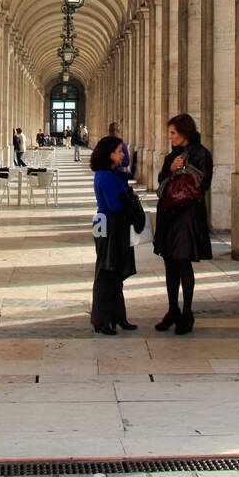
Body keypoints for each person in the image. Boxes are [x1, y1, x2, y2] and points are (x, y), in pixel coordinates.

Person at [153, 113, 213, 334]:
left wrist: (183, 170)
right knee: (170, 263)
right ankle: (172, 310)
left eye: (173, 133)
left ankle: (187, 313)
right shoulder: (173, 155)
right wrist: (171, 170)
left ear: (185, 133)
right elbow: (161, 180)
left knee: (183, 263)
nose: (170, 137)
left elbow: (204, 184)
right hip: (169, 214)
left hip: (188, 216)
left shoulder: (201, 154)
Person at [90, 134, 142, 335]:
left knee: (115, 272)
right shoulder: (105, 175)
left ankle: (118, 317)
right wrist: (130, 196)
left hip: (108, 224)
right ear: (109, 154)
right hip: (106, 225)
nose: (123, 155)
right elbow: (115, 205)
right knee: (105, 272)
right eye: (119, 151)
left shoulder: (112, 173)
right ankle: (101, 320)